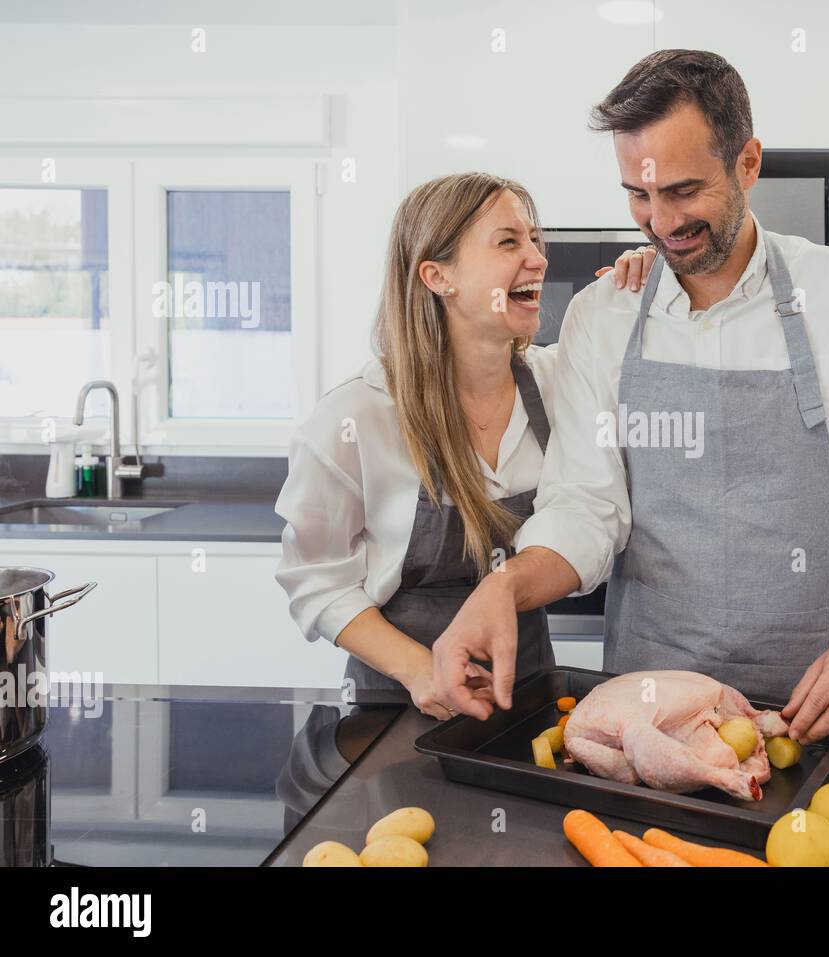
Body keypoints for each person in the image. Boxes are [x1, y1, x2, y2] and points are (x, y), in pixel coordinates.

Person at [431, 51, 829, 743]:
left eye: (684, 190)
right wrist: (503, 586)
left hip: (823, 704)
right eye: (638, 194)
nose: (659, 221)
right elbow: (586, 510)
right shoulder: (606, 315)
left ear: (748, 163)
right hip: (649, 719)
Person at [274, 171, 653, 717]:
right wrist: (421, 672)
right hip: (396, 703)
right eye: (508, 242)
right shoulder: (355, 417)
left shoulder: (556, 385)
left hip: (528, 695)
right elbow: (315, 581)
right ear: (437, 275)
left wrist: (643, 288)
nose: (539, 258)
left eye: (534, 240)